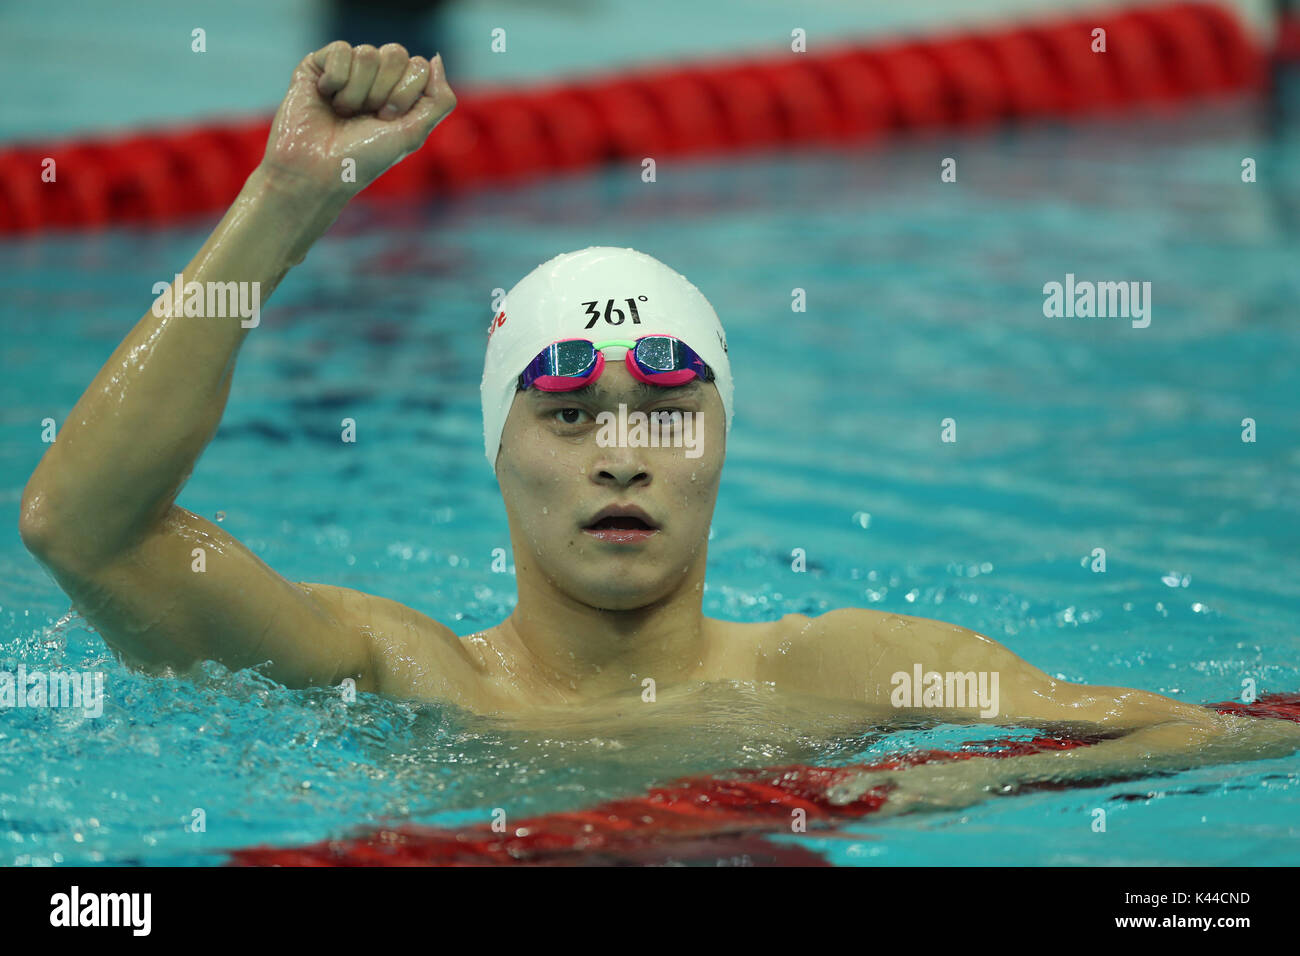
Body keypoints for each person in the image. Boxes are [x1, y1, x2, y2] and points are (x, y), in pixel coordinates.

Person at [19, 42, 1298, 807]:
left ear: (724, 441)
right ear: (497, 452)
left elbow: (1193, 729)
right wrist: (288, 194)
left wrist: (957, 777)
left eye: (668, 411)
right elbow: (82, 525)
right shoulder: (400, 679)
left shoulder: (845, 673)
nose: (621, 449)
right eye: (567, 412)